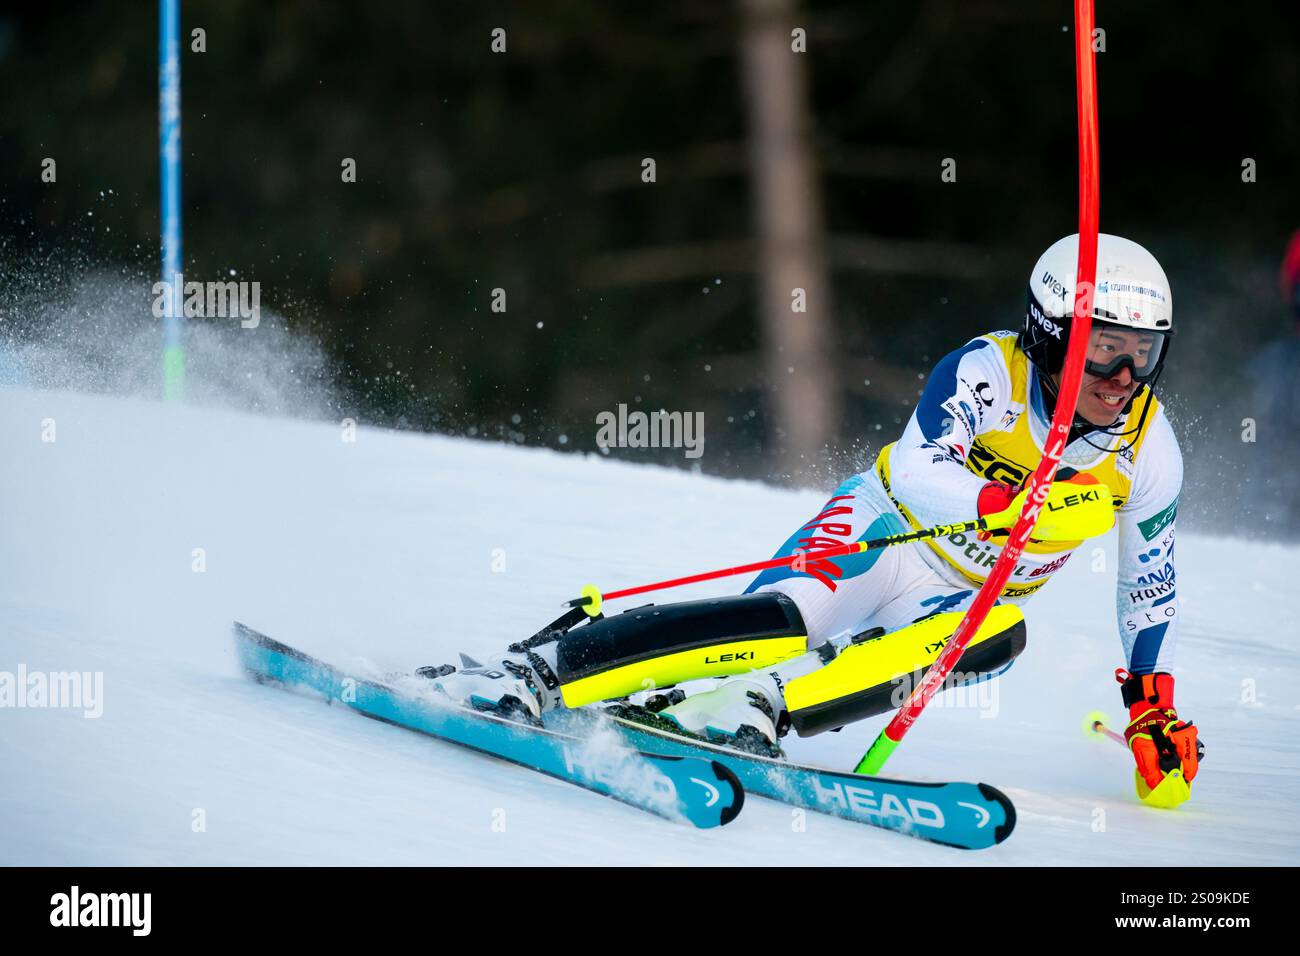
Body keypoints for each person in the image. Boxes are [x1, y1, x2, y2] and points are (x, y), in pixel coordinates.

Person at [426, 233, 1203, 801]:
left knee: (998, 636)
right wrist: (1008, 505)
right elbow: (925, 468)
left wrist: (1150, 704)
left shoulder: (1148, 446)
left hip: (959, 599)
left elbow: (1149, 583)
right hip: (885, 533)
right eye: (1103, 349)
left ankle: (762, 706)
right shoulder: (984, 371)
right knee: (774, 625)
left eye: (1143, 352)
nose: (1123, 376)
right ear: (1050, 335)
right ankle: (542, 669)